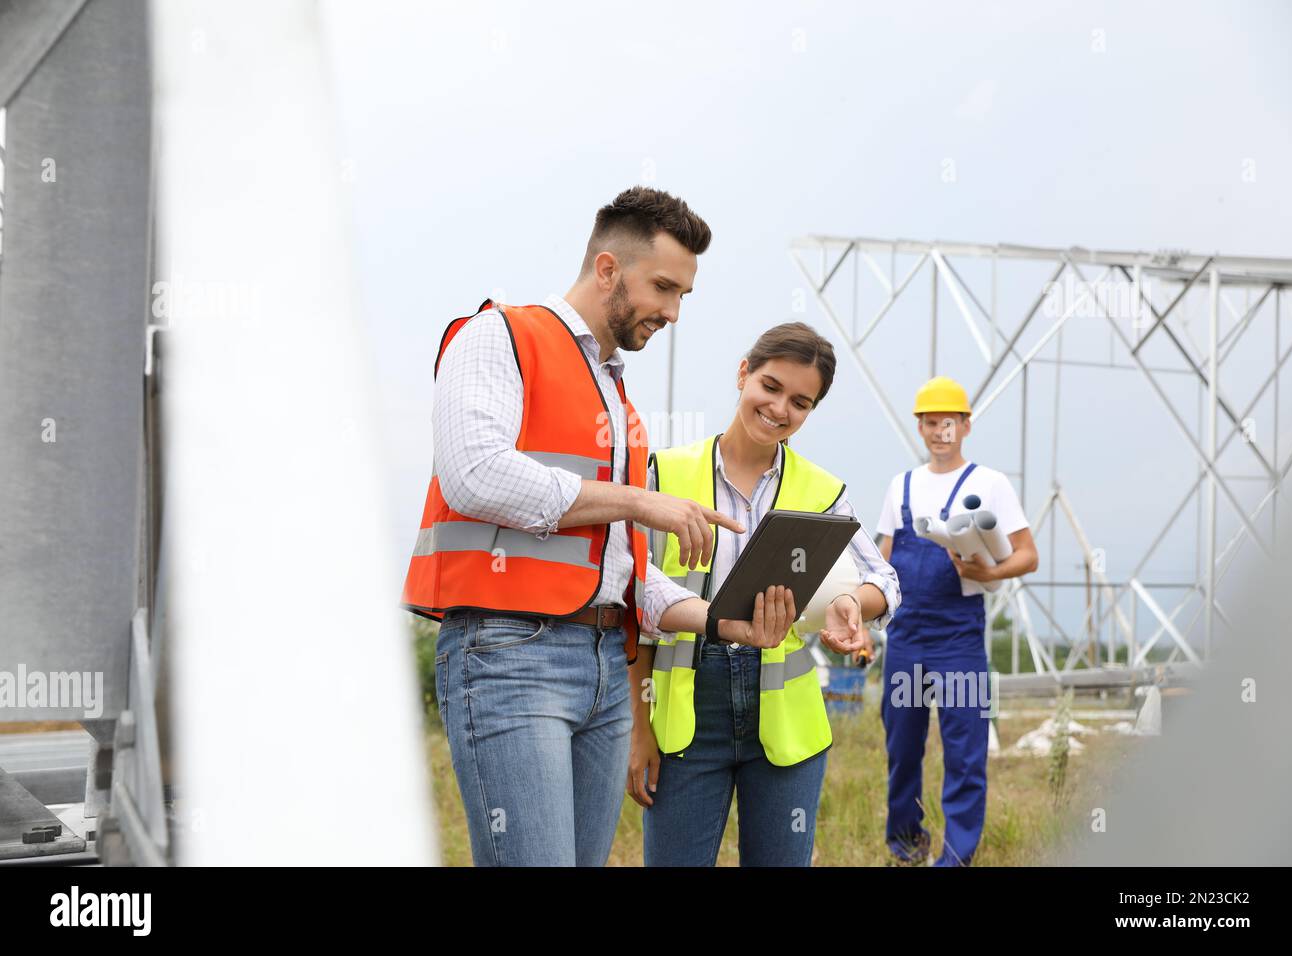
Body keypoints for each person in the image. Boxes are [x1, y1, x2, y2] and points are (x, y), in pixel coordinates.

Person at [400, 186, 798, 866]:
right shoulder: (497, 335)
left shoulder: (615, 396)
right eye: (663, 288)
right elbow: (474, 474)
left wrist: (722, 621)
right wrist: (639, 501)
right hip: (508, 654)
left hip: (605, 669)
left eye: (683, 297)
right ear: (608, 269)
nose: (672, 312)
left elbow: (627, 575)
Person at [626, 322, 901, 866]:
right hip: (685, 719)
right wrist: (640, 731)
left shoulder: (822, 491)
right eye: (770, 387)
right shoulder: (665, 473)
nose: (779, 409)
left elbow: (885, 580)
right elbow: (633, 605)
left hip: (785, 722)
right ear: (743, 374)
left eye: (801, 402)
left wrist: (853, 604)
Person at [876, 375, 1038, 866]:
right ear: (920, 427)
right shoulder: (900, 486)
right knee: (903, 748)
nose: (939, 430)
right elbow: (881, 565)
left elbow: (1027, 556)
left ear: (965, 425)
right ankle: (906, 844)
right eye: (930, 421)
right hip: (905, 638)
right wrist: (862, 626)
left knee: (964, 753)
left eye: (949, 421)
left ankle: (955, 856)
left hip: (957, 640)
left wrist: (990, 569)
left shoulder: (990, 484)